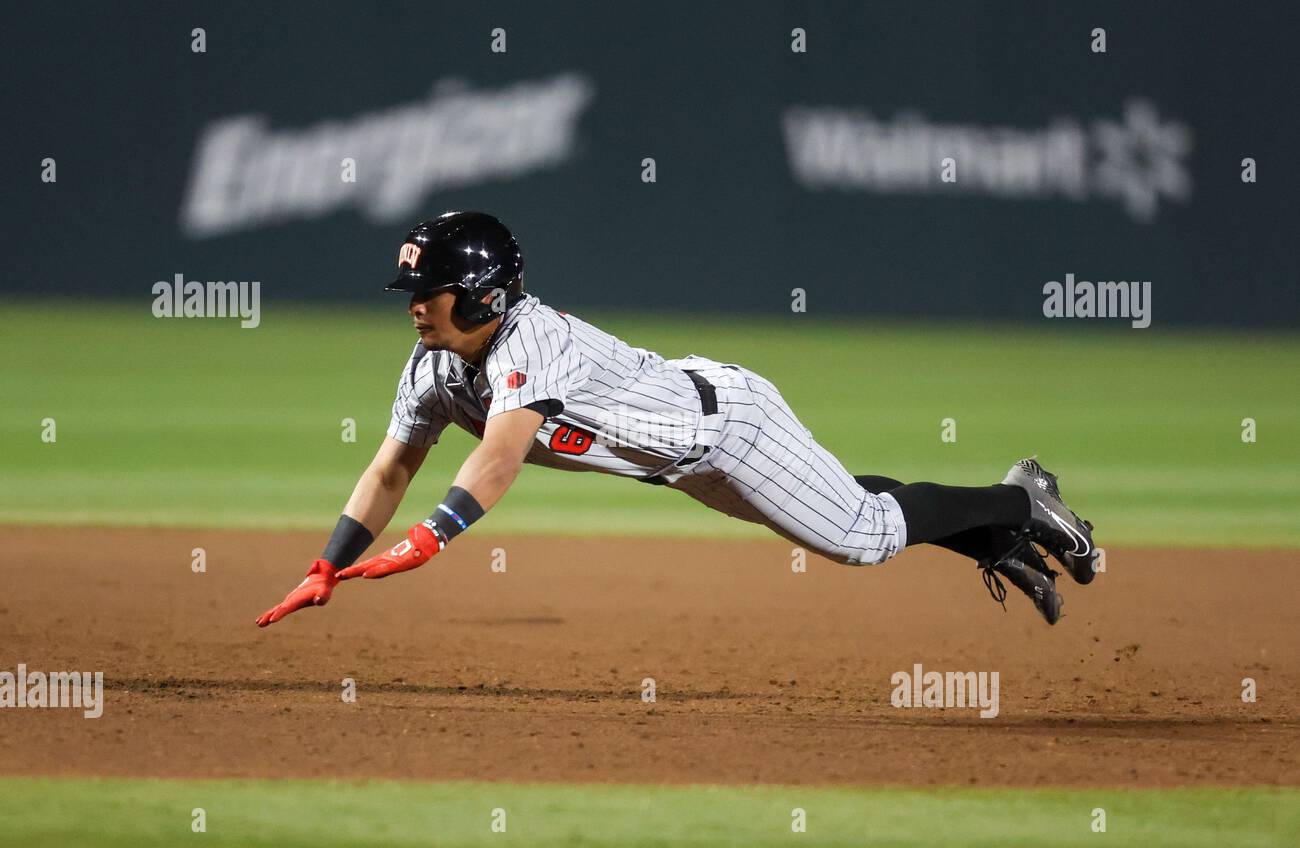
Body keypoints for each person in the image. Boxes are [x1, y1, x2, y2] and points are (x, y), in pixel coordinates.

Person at [257, 211, 1096, 630]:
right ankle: (993, 533)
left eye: (425, 292)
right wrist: (328, 564)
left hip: (726, 426)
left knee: (861, 536)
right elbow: (390, 468)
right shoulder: (436, 367)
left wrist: (433, 537)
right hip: (681, 460)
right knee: (835, 506)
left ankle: (1018, 503)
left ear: (481, 294)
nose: (413, 307)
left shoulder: (531, 339)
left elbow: (501, 459)